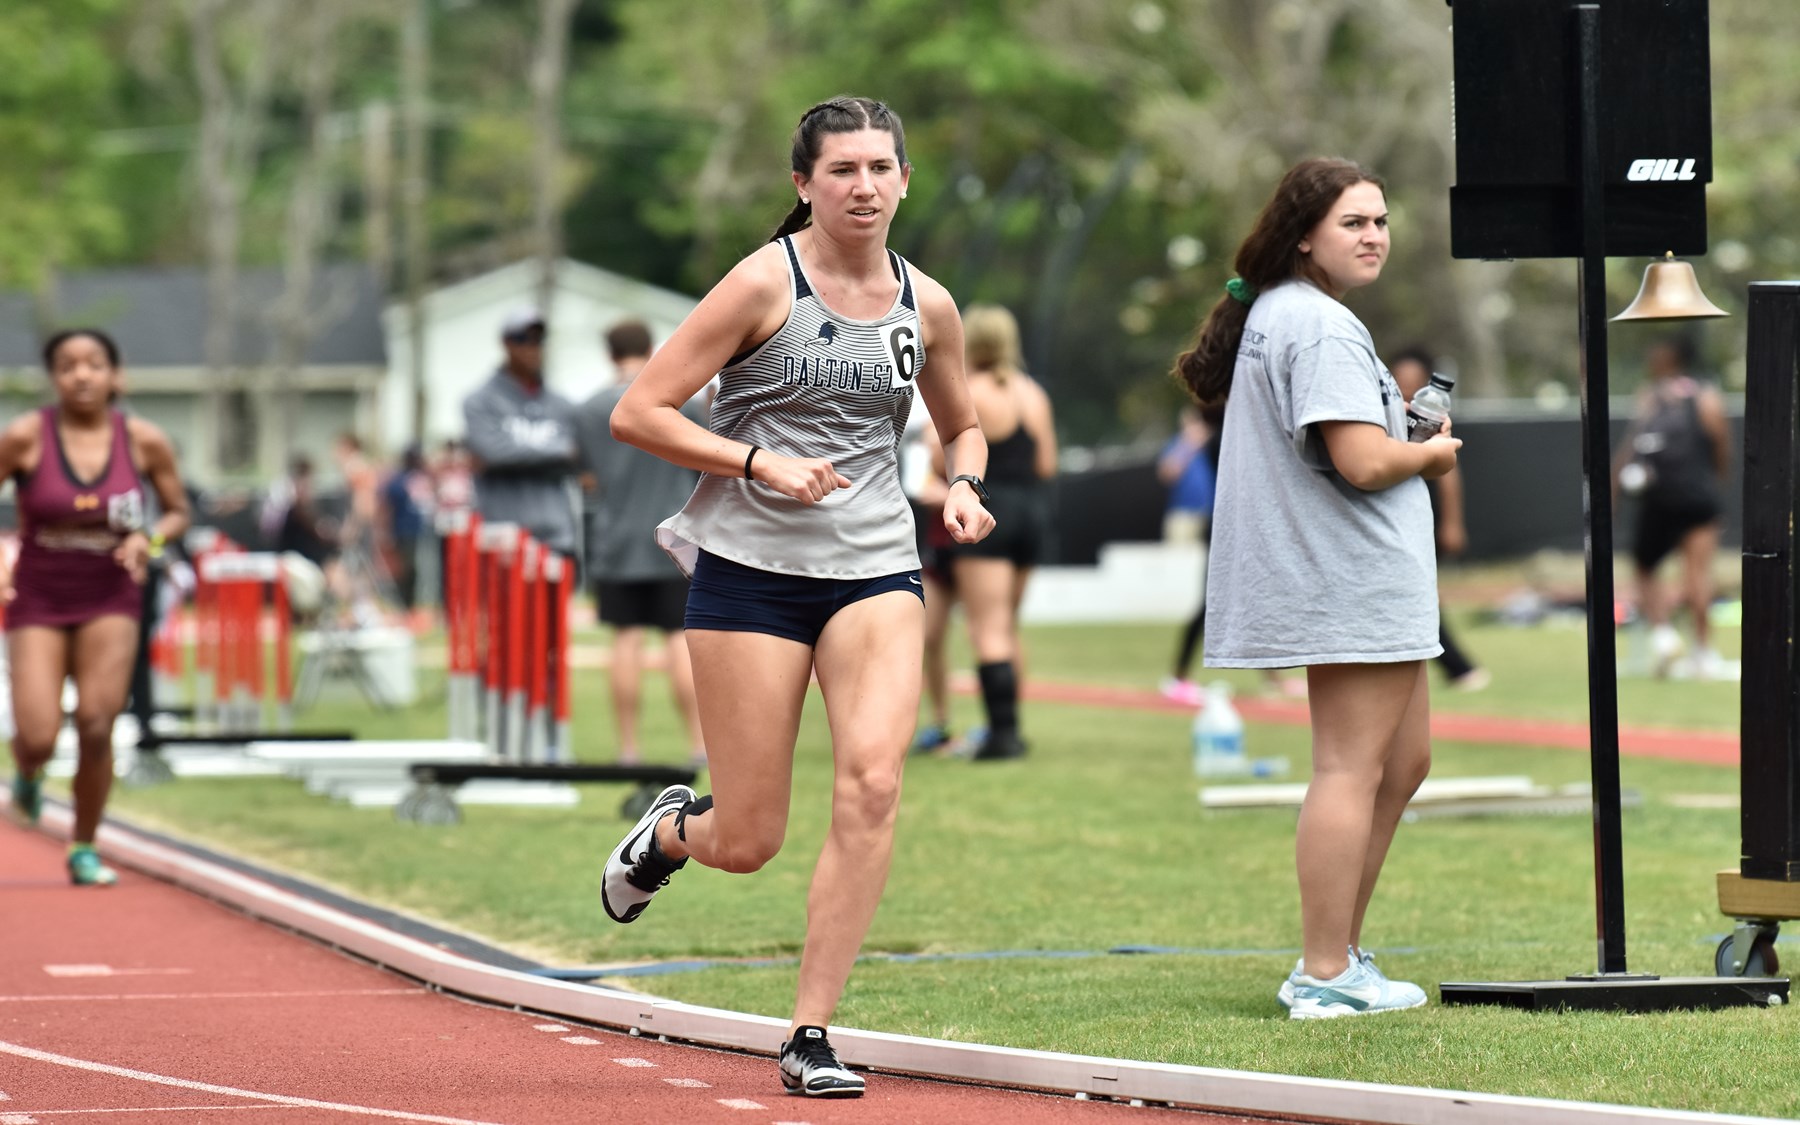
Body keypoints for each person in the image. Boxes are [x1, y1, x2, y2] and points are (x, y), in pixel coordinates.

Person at [603, 96, 993, 1098]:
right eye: (842, 171)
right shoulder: (758, 284)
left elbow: (964, 423)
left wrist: (963, 483)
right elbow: (637, 412)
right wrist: (753, 460)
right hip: (751, 575)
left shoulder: (930, 303)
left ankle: (810, 1031)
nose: (863, 186)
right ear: (804, 186)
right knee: (750, 839)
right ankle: (668, 836)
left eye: (879, 168)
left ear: (905, 179)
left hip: (875, 570)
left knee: (872, 781)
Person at [1173, 157, 1459, 1018]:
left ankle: (1343, 955)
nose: (1373, 236)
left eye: (1379, 221)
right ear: (1305, 234)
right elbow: (1364, 461)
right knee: (1348, 767)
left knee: (1402, 763)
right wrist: (1433, 451)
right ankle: (1324, 971)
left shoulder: (1285, 312)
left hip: (1359, 576)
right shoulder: (1322, 326)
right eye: (1353, 223)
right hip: (1347, 576)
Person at [1, 328, 191, 885]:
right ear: (54, 378)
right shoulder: (25, 438)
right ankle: (30, 772)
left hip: (111, 593)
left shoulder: (145, 441)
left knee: (95, 721)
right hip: (39, 595)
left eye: (93, 364)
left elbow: (178, 512)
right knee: (37, 733)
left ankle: (83, 845)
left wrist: (148, 541)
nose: (81, 375)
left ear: (116, 375)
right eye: (67, 365)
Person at [574, 320, 707, 766]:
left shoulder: (589, 409)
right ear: (651, 349)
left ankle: (628, 749)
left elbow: (587, 477)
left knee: (625, 641)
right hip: (673, 536)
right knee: (677, 640)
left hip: (616, 537)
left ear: (609, 353)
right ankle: (697, 746)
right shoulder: (680, 405)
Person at [940, 304, 1055, 761]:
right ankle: (1012, 726)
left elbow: (939, 456)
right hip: (1034, 512)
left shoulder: (975, 392)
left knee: (986, 628)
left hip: (991, 512)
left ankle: (1001, 736)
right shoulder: (1033, 394)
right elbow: (1046, 464)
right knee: (1007, 627)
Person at [1159, 404, 1302, 705]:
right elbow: (1170, 470)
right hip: (1226, 526)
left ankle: (1273, 679)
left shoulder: (1233, 433)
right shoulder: (1217, 437)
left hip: (1247, 524)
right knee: (1211, 603)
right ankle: (1177, 677)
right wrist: (1190, 436)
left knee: (1261, 600)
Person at [1613, 335, 1731, 679]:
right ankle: (1703, 653)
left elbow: (1631, 446)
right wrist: (1715, 487)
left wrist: (1614, 488)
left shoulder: (1652, 395)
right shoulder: (1706, 395)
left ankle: (1664, 636)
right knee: (1698, 574)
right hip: (1698, 498)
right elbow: (1722, 445)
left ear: (1669, 356)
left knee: (1645, 569)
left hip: (1660, 498)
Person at [1389, 348, 1489, 691]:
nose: (1406, 386)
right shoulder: (1381, 408)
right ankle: (1454, 668)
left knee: (1421, 593)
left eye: (1412, 380)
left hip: (1419, 515)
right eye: (1400, 378)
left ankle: (1459, 668)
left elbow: (1448, 475)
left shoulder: (1429, 416)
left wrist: (1452, 523)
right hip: (1390, 515)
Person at [461, 308, 581, 562]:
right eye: (522, 339)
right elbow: (492, 453)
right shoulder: (479, 401)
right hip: (501, 537)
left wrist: (515, 455)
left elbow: (580, 459)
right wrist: (560, 452)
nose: (531, 347)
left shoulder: (562, 405)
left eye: (538, 340)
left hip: (556, 537)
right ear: (505, 343)